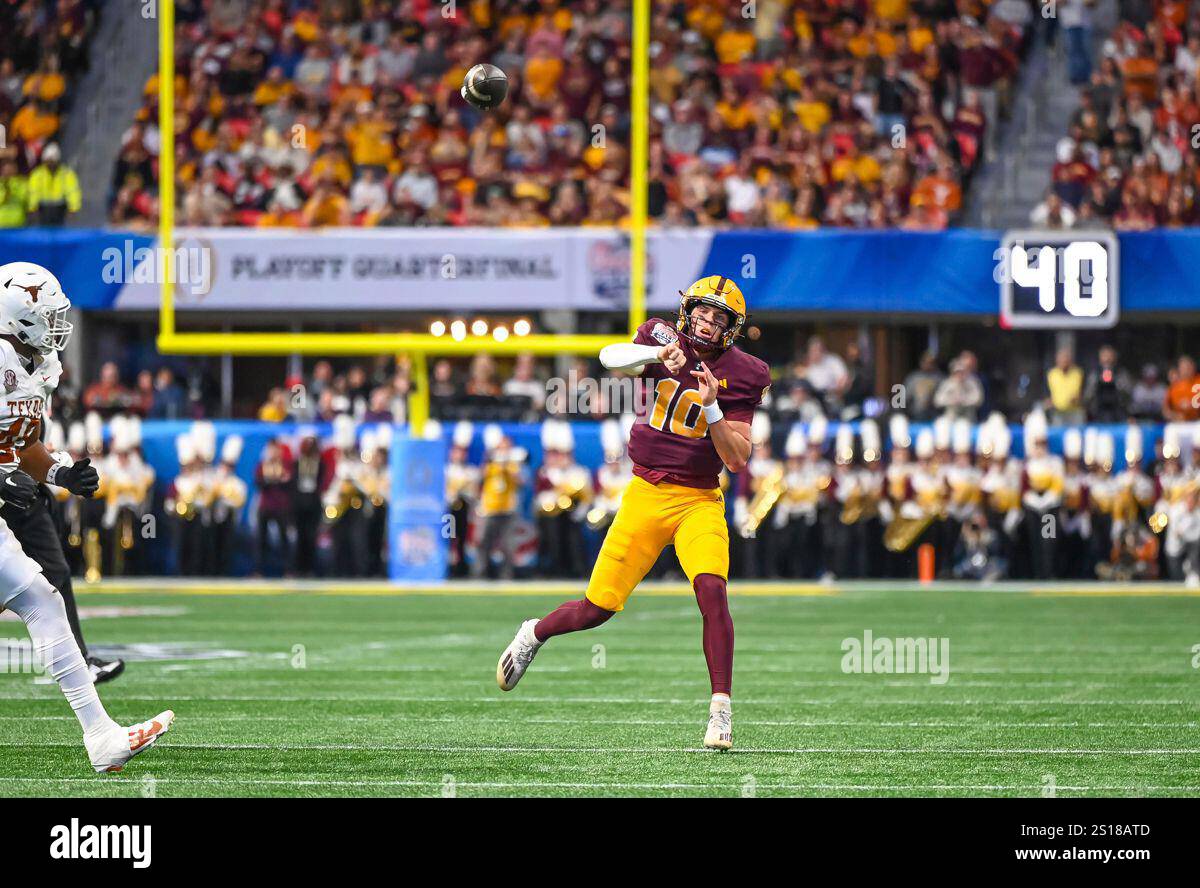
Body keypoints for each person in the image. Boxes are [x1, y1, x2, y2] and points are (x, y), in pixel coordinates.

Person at [495, 275, 770, 750]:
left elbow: (737, 459)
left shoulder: (745, 373)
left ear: (731, 328)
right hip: (645, 493)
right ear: (688, 312)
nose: (707, 322)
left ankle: (721, 710)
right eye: (702, 312)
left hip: (698, 499)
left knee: (712, 591)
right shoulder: (661, 335)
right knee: (595, 610)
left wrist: (712, 408)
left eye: (718, 316)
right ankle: (532, 634)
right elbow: (610, 358)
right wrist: (658, 354)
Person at [0, 262, 172, 771]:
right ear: (18, 315)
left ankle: (101, 736)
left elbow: (23, 445)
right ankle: (100, 735)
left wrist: (60, 474)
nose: (56, 325)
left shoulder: (38, 365)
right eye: (46, 315)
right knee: (39, 598)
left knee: (41, 598)